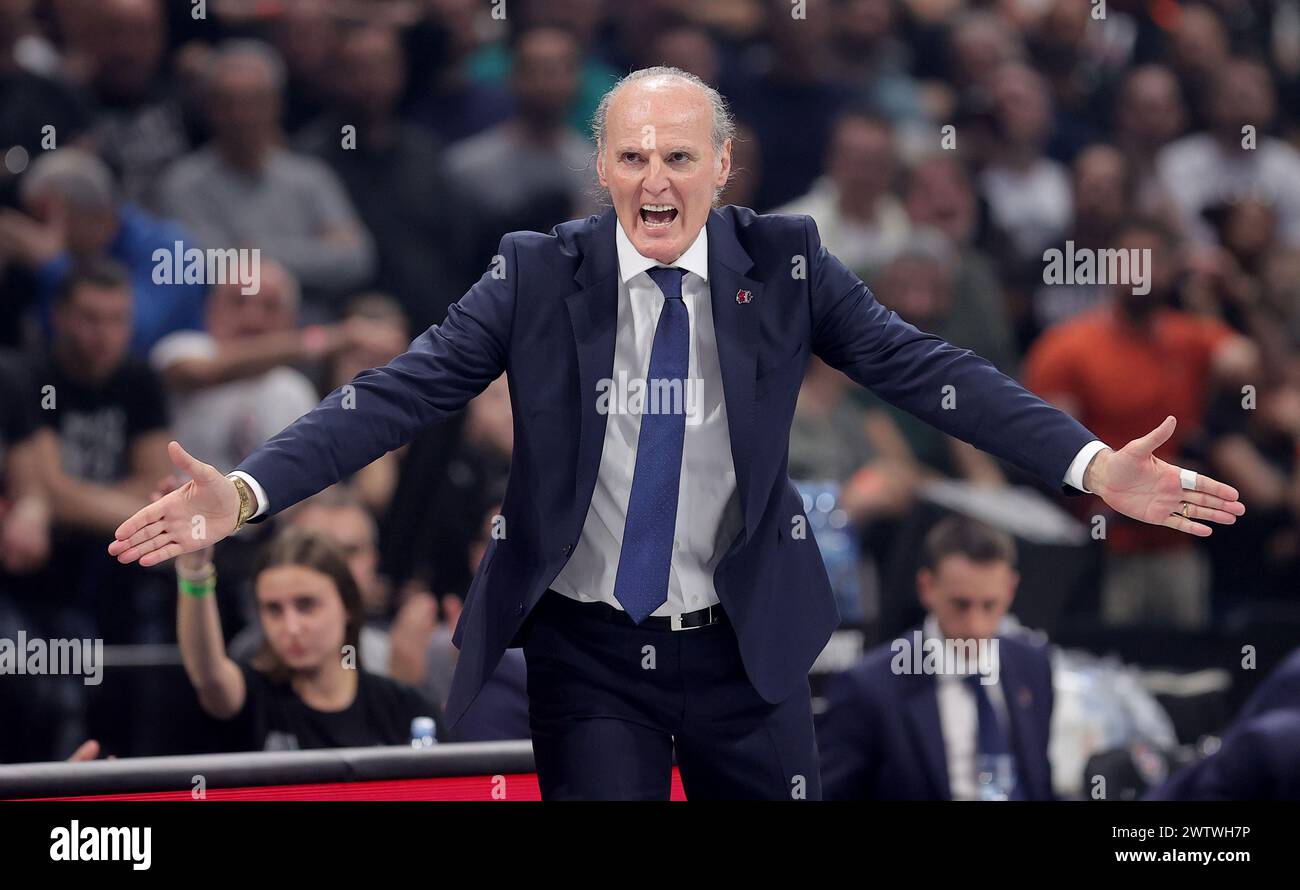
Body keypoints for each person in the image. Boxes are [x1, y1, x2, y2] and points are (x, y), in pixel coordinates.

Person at [111, 67, 1245, 800]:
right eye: (632, 156)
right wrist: (249, 493)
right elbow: (396, 393)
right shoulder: (534, 273)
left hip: (745, 644)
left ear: (719, 167)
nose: (655, 177)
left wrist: (1090, 464)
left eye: (678, 155)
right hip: (590, 650)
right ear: (602, 169)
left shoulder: (786, 261)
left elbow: (928, 370)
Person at [818, 517, 1055, 800]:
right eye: (961, 604)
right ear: (927, 588)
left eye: (989, 605)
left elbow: (1041, 785)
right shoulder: (869, 688)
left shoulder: (1032, 665)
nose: (975, 626)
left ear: (1010, 590)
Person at [173, 524, 443, 752]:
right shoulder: (253, 696)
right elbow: (208, 676)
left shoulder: (403, 705)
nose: (291, 627)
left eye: (307, 605)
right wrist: (195, 572)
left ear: (347, 607)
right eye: (273, 609)